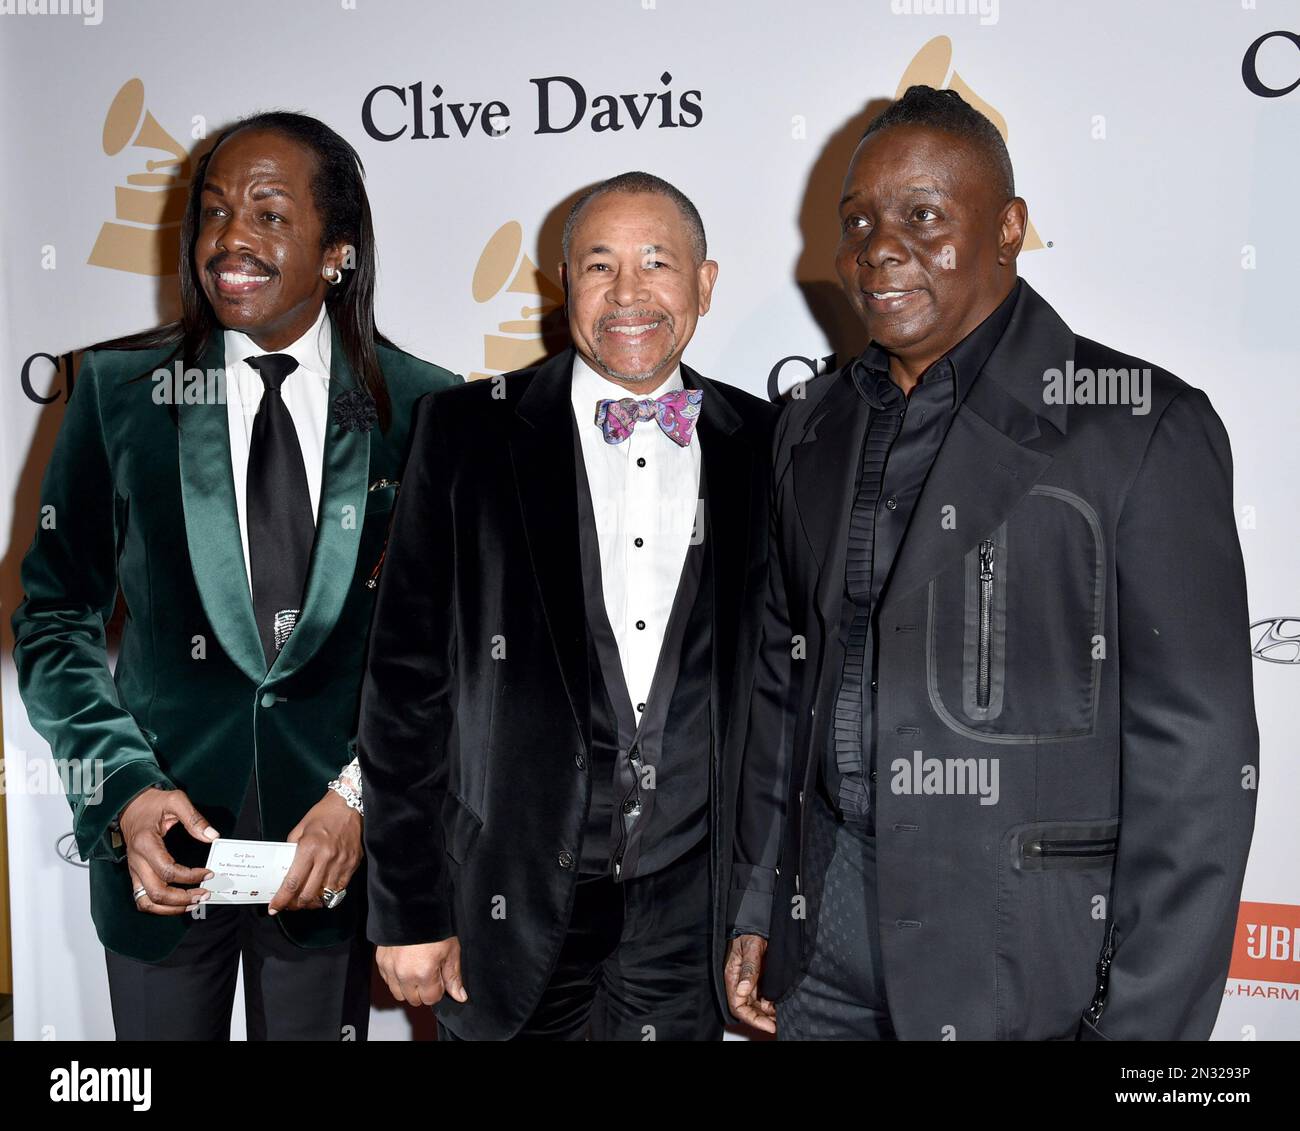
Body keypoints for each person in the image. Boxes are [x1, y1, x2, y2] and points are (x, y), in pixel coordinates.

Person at [725, 85, 1258, 1041]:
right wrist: (763, 898)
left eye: (922, 216)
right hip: (827, 944)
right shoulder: (811, 427)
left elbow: (1200, 768)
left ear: (1009, 228)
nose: (878, 248)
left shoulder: (1138, 423)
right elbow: (784, 685)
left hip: (1027, 965)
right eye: (859, 222)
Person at [11, 112, 459, 1040]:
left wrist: (357, 799)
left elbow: (446, 644)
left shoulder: (423, 407)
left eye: (268, 212)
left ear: (337, 250)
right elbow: (55, 618)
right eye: (214, 212)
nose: (231, 240)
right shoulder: (114, 391)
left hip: (327, 860)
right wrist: (126, 790)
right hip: (159, 862)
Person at [358, 171, 776, 1040]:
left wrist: (767, 900)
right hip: (501, 905)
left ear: (705, 284)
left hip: (686, 919)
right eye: (599, 266)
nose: (629, 293)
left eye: (657, 263)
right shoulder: (467, 431)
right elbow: (403, 690)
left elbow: (786, 697)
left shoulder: (769, 445)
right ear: (563, 287)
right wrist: (407, 906)